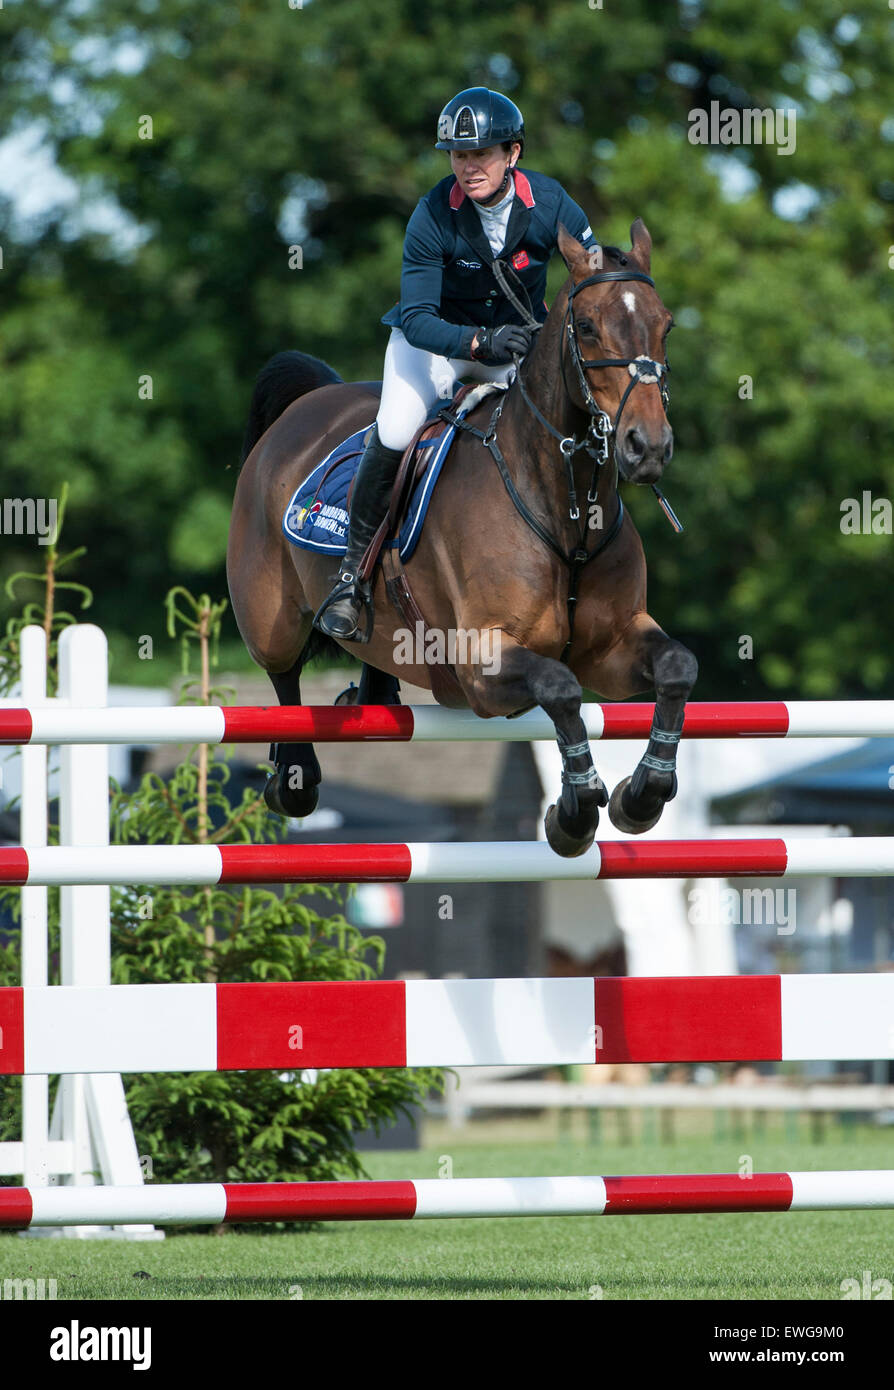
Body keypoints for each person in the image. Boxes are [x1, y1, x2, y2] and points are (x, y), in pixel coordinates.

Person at [315, 86, 597, 641]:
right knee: (396, 430)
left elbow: (592, 275)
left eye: (481, 154)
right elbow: (417, 317)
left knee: (560, 424)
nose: (468, 168)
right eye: (458, 155)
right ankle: (352, 576)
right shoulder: (432, 214)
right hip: (433, 348)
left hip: (512, 348)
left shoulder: (553, 203)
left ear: (512, 154)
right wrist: (476, 344)